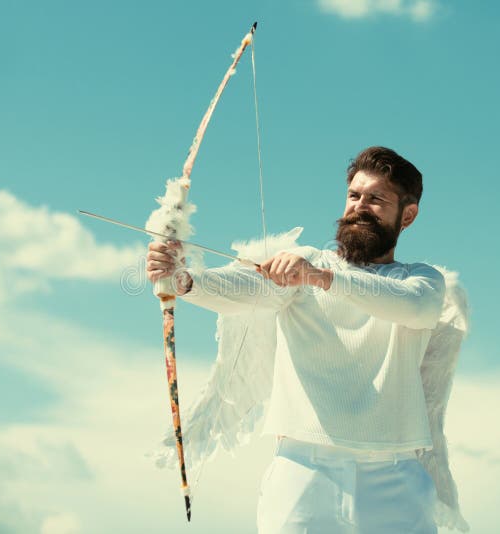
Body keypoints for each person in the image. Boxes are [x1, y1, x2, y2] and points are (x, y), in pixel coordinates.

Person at [146, 146, 466, 533]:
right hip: (302, 475)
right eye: (354, 196)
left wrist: (322, 278)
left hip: (395, 479)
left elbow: (415, 308)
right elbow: (246, 287)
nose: (360, 207)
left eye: (376, 199)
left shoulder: (424, 280)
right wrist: (184, 279)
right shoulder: (304, 263)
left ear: (408, 215)